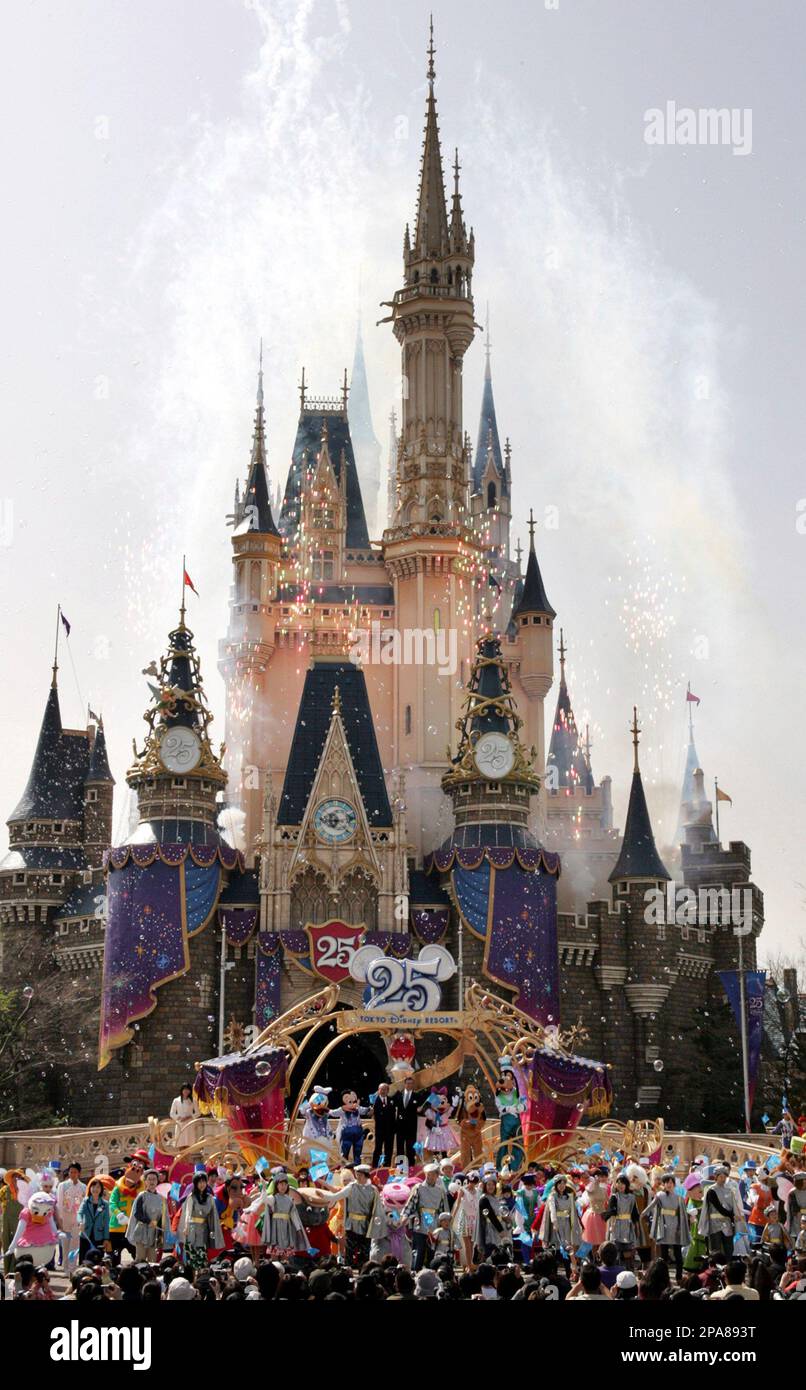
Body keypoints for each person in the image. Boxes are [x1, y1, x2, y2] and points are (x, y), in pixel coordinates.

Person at [644, 1173, 689, 1282]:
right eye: (667, 1182)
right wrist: (643, 1213)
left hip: (675, 1229)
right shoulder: (660, 1196)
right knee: (663, 1255)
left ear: (674, 1184)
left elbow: (682, 1215)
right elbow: (652, 1205)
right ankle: (664, 1277)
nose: (669, 1184)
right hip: (663, 1228)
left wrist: (679, 1228)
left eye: (671, 1182)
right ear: (663, 1184)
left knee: (678, 1254)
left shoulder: (679, 1198)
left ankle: (679, 1277)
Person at [404, 1162, 450, 1271]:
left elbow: (444, 1210)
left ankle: (432, 1273)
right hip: (420, 1223)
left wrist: (446, 1225)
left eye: (432, 1174)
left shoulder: (440, 1191)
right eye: (428, 1174)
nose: (430, 1177)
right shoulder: (418, 1188)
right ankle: (415, 1272)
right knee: (418, 1251)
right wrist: (404, 1218)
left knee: (432, 1252)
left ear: (437, 1175)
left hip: (435, 1225)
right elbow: (410, 1205)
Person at [177, 1171, 224, 1273]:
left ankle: (201, 1275)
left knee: (202, 1254)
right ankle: (192, 1275)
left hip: (204, 1229)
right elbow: (188, 1213)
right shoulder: (191, 1197)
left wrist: (213, 1230)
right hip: (192, 1228)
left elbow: (212, 1215)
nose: (202, 1184)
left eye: (204, 1182)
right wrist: (186, 1226)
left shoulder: (210, 1198)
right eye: (199, 1182)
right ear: (195, 1183)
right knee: (193, 1254)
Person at [697, 1166, 745, 1262]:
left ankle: (728, 1269)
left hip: (727, 1224)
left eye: (725, 1177)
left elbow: (734, 1207)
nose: (723, 1179)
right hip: (715, 1224)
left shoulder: (729, 1190)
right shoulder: (711, 1191)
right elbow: (719, 1207)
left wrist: (736, 1218)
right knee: (715, 1250)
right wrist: (732, 1215)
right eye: (721, 1177)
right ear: (716, 1177)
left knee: (729, 1248)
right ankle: (715, 1271)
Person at [339, 1165, 379, 1268]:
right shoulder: (351, 1187)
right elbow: (336, 1195)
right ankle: (348, 1272)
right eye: (356, 1175)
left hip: (365, 1225)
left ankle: (363, 1271)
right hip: (351, 1224)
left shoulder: (373, 1190)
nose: (358, 1177)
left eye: (360, 1175)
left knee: (364, 1252)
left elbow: (377, 1208)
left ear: (366, 1176)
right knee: (349, 1251)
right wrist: (324, 1196)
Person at [126, 1169, 167, 1263]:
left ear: (157, 1181)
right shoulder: (142, 1196)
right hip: (142, 1231)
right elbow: (137, 1213)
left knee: (153, 1259)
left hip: (154, 1233)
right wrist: (149, 1221)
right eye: (149, 1179)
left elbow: (162, 1216)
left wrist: (161, 1232)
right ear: (145, 1181)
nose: (152, 1181)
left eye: (154, 1179)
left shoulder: (161, 1198)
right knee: (141, 1258)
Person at [108, 1158, 145, 1263]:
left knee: (136, 1254)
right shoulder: (117, 1189)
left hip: (132, 1229)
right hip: (116, 1228)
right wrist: (119, 1215)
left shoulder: (140, 1192)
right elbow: (112, 1203)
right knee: (115, 1256)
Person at [538, 1175, 581, 1262]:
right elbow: (552, 1209)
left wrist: (575, 1227)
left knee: (568, 1246)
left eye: (563, 1183)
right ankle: (554, 1270)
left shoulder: (569, 1197)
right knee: (556, 1246)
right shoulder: (552, 1196)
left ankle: (569, 1270)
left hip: (566, 1224)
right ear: (556, 1185)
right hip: (557, 1224)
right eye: (559, 1183)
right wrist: (554, 1222)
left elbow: (573, 1212)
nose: (562, 1185)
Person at [605, 1174, 641, 1267]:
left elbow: (634, 1213)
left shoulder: (631, 1197)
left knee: (627, 1247)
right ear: (616, 1185)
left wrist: (637, 1227)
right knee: (616, 1247)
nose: (620, 1185)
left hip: (628, 1225)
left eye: (623, 1183)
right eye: (618, 1183)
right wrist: (612, 1226)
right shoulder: (614, 1197)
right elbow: (612, 1212)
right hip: (617, 1224)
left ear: (626, 1185)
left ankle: (627, 1267)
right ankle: (616, 1267)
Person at [494, 1063, 525, 1170]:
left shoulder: (517, 1092)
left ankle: (516, 1167)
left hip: (517, 1121)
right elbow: (499, 1107)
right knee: (504, 1144)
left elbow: (524, 1104)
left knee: (518, 1143)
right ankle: (501, 1167)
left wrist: (522, 1107)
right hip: (506, 1122)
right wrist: (508, 1109)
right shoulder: (498, 1096)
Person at [55, 1162, 85, 1269]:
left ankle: (72, 1266)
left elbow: (83, 1205)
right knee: (65, 1243)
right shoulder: (62, 1185)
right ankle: (66, 1266)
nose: (72, 1174)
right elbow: (59, 1203)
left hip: (77, 1219)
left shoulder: (83, 1187)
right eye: (71, 1172)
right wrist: (60, 1220)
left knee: (75, 1244)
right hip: (65, 1217)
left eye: (75, 1172)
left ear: (79, 1173)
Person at [478, 1176, 513, 1259]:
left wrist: (505, 1218)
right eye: (488, 1185)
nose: (491, 1187)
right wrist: (501, 1230)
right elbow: (491, 1216)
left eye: (493, 1185)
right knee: (492, 1253)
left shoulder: (496, 1198)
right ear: (485, 1186)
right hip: (491, 1230)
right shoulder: (484, 1199)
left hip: (500, 1227)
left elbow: (499, 1213)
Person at [77, 1178, 111, 1262]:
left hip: (99, 1236)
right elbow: (79, 1213)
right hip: (85, 1234)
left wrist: (106, 1238)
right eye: (93, 1187)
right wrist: (80, 1222)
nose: (95, 1189)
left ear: (101, 1189)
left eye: (98, 1187)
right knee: (84, 1258)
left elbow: (107, 1222)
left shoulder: (105, 1204)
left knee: (97, 1259)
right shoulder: (86, 1201)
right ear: (90, 1188)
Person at [394, 1075, 420, 1166]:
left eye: (411, 1084)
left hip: (411, 1127)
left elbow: (423, 1107)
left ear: (413, 1085)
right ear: (405, 1084)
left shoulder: (417, 1096)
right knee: (400, 1147)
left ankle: (411, 1167)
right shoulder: (398, 1094)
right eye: (408, 1083)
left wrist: (420, 1110)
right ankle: (400, 1168)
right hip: (400, 1126)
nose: (409, 1085)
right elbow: (392, 1107)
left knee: (410, 1148)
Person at [372, 1083, 396, 1169]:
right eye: (381, 1089)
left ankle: (387, 1167)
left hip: (390, 1130)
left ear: (388, 1091)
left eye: (385, 1089)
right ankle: (375, 1167)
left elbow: (394, 1116)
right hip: (379, 1130)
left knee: (388, 1150)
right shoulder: (374, 1101)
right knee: (377, 1149)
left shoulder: (391, 1100)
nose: (383, 1091)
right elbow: (370, 1113)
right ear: (378, 1090)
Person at [169, 1083, 200, 1150]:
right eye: (184, 1089)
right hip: (180, 1124)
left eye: (188, 1089)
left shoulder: (193, 1101)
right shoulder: (176, 1100)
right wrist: (179, 1117)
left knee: (188, 1145)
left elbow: (198, 1113)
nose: (186, 1091)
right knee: (180, 1143)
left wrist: (189, 1117)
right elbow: (172, 1113)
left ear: (190, 1091)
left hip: (189, 1124)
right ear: (182, 1090)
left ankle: (187, 1159)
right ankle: (182, 1159)